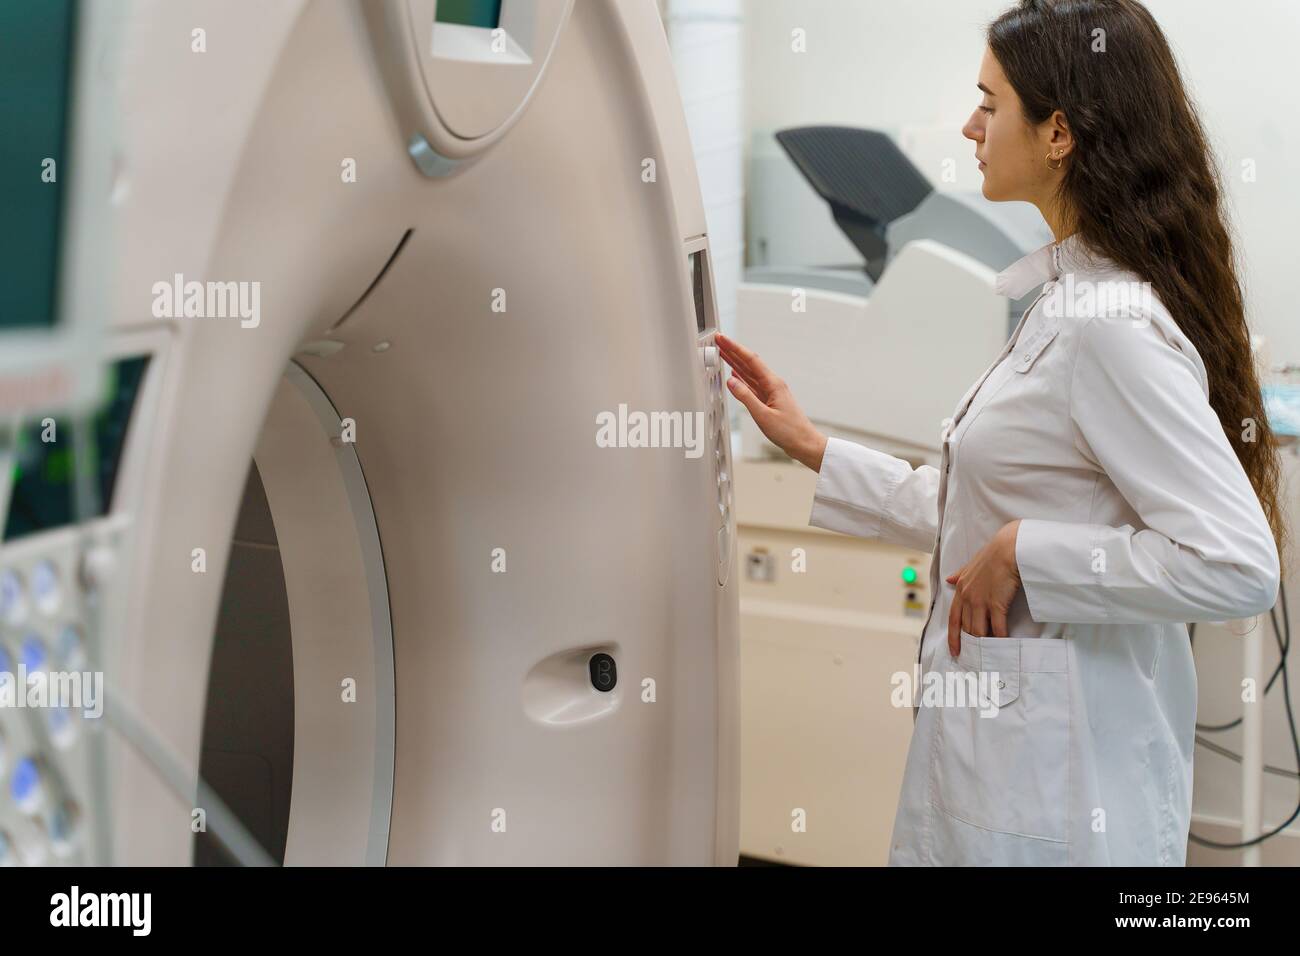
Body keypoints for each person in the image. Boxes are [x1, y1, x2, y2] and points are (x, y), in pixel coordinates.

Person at [718, 0, 1285, 866]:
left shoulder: (1108, 325)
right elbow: (982, 510)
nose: (969, 125)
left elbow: (1238, 564)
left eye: (991, 103)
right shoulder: (1066, 296)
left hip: (1061, 808)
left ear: (1059, 133)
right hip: (1012, 780)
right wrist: (814, 448)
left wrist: (1028, 552)